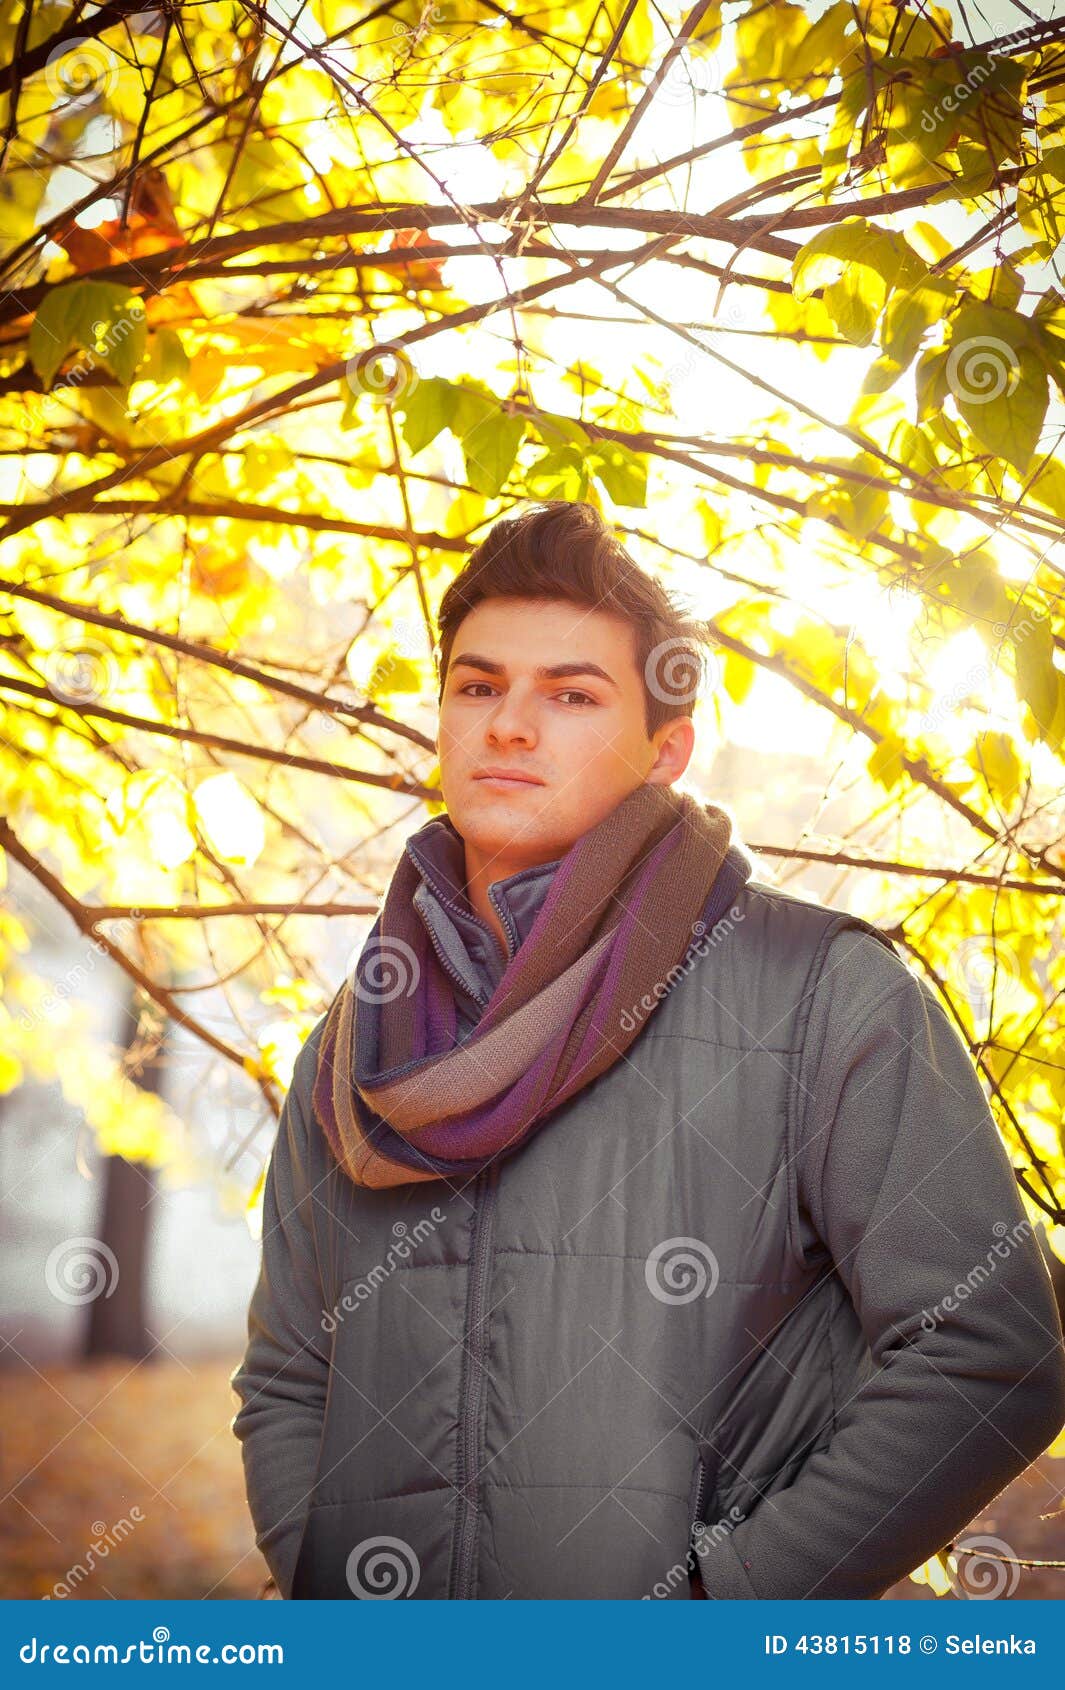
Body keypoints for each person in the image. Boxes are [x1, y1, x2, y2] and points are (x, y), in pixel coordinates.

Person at [230, 500, 1065, 1600]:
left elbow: (990, 1348)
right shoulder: (362, 1043)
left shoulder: (820, 992)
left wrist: (724, 1610)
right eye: (477, 686)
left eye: (571, 695)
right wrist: (326, 1578)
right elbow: (290, 1377)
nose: (508, 725)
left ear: (666, 751)